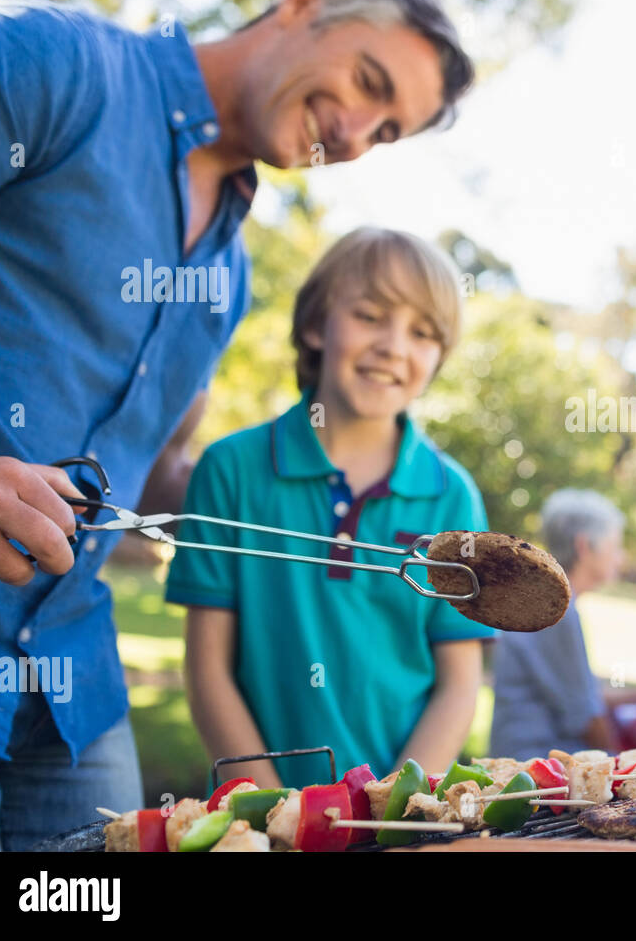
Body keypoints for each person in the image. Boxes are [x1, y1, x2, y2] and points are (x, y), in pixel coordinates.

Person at [0, 0, 474, 850]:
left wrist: (254, 500)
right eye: (367, 80)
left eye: (386, 131)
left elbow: (149, 471)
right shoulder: (52, 65)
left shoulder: (226, 276)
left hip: (76, 694)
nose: (356, 133)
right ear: (302, 1)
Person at [164, 228, 493, 790]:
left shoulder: (452, 495)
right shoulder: (230, 470)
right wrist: (274, 813)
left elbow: (459, 684)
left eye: (422, 332)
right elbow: (208, 669)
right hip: (262, 813)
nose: (394, 345)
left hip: (397, 817)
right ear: (317, 325)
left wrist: (395, 812)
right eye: (370, 315)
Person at [489, 490, 636, 760]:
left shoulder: (539, 599)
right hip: (538, 769)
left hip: (527, 760)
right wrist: (626, 768)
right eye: (615, 546)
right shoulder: (555, 611)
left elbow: (584, 695)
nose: (620, 558)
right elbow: (587, 719)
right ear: (584, 546)